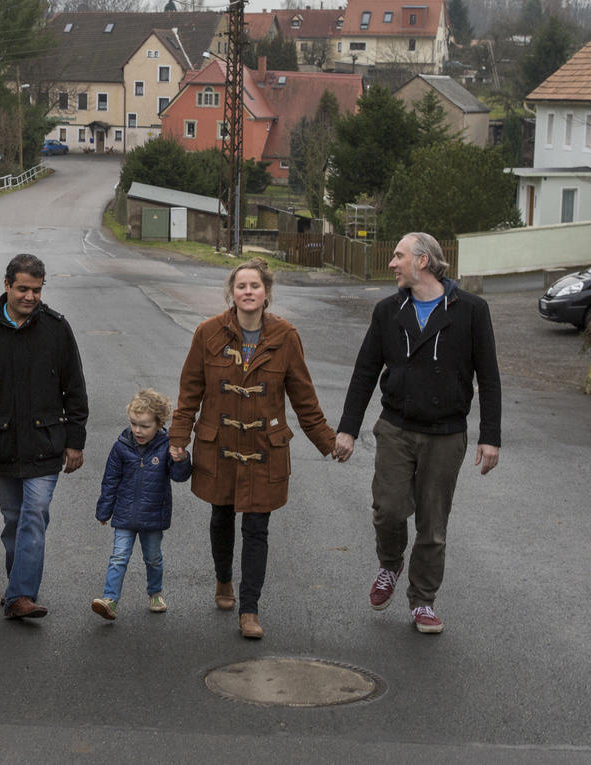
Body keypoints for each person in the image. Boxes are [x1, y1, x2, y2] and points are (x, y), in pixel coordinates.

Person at [335, 232, 501, 635]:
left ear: (423, 261)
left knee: (433, 525)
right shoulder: (388, 311)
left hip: (446, 434)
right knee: (388, 508)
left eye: (399, 256)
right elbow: (365, 372)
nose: (392, 263)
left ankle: (423, 600)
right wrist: (348, 429)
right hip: (396, 427)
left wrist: (490, 435)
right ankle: (390, 564)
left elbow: (489, 376)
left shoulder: (471, 310)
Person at [170, 257, 339, 640]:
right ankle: (223, 578)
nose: (248, 292)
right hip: (219, 445)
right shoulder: (208, 333)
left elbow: (304, 398)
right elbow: (190, 391)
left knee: (257, 528)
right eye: (241, 286)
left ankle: (250, 609)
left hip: (265, 448)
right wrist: (178, 439)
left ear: (267, 293)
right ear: (232, 293)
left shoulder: (286, 336)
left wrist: (328, 442)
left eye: (255, 286)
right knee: (221, 517)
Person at [0, 253, 88, 620]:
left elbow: (75, 388)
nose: (30, 297)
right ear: (7, 286)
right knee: (14, 519)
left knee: (35, 514)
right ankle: (17, 584)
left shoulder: (57, 329)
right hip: (2, 443)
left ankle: (20, 595)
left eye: (37, 290)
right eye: (23, 289)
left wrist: (75, 440)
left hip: (46, 442)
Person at [92, 389, 191, 621]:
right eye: (134, 424)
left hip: (153, 516)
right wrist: (104, 511)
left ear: (159, 424)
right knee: (118, 557)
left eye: (145, 426)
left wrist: (181, 459)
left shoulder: (166, 447)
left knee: (153, 558)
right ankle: (109, 600)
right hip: (124, 515)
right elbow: (110, 481)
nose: (138, 430)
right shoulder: (121, 447)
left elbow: (179, 476)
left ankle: (155, 593)